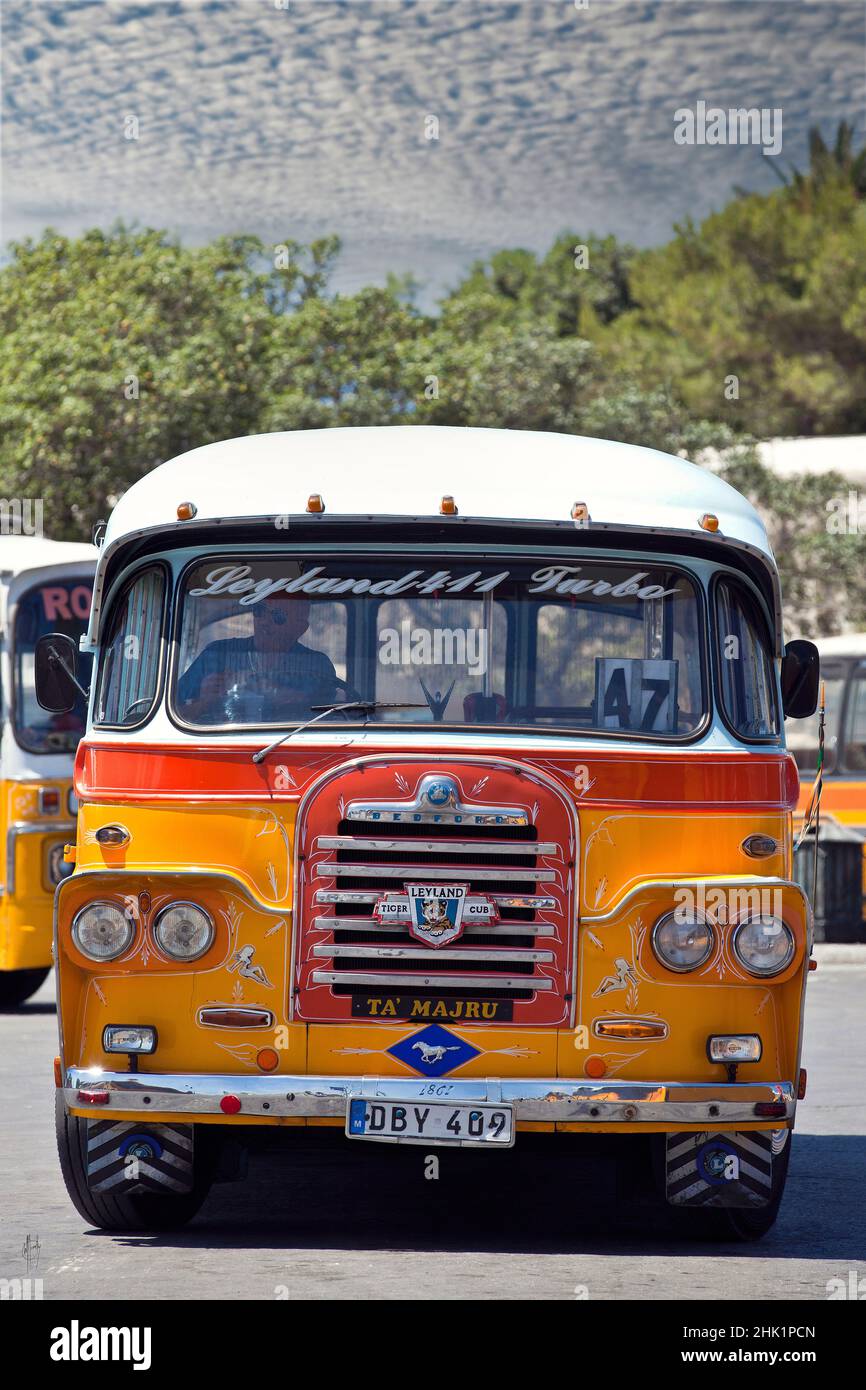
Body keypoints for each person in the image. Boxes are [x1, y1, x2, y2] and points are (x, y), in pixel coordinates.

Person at [177, 594, 338, 723]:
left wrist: (279, 694)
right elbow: (173, 717)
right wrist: (205, 701)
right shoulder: (216, 655)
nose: (264, 622)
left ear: (300, 628)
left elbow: (333, 719)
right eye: (259, 611)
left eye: (278, 617)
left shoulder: (317, 665)